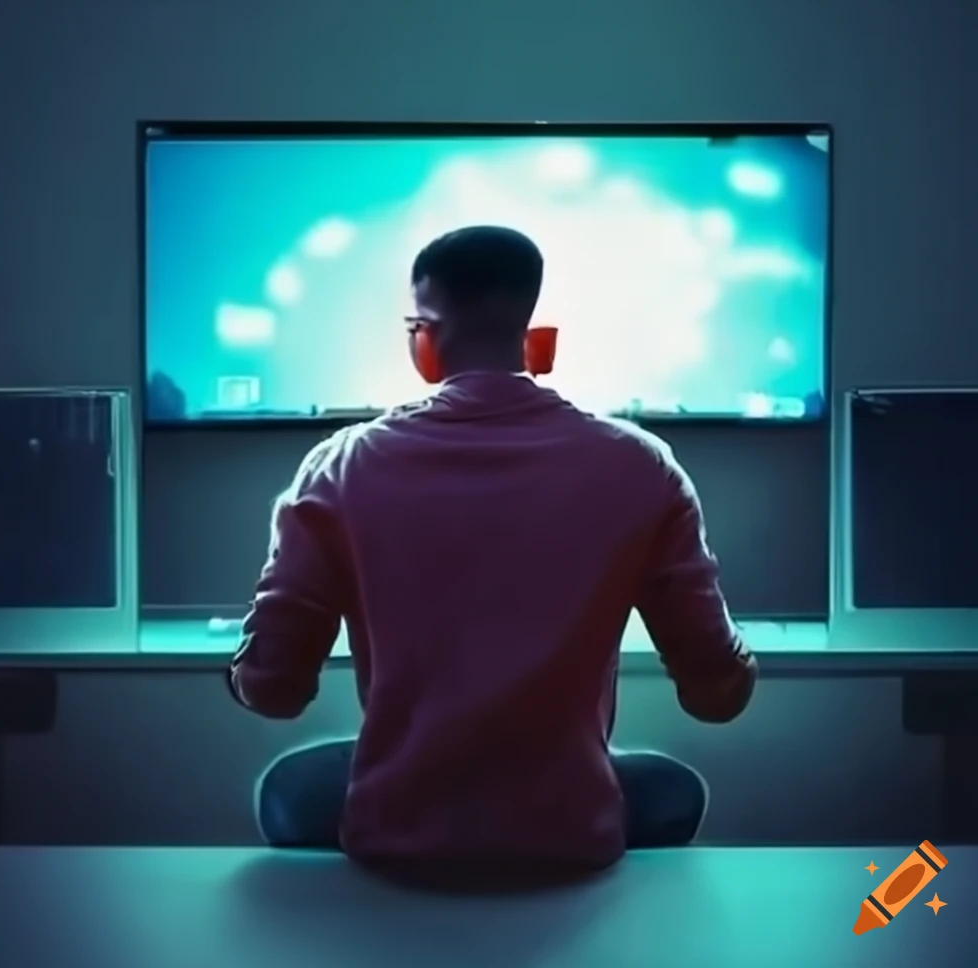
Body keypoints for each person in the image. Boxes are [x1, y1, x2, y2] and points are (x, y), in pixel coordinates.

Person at [228, 225, 757, 888]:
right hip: (571, 836)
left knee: (289, 786)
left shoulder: (340, 466)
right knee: (672, 788)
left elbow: (273, 690)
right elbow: (718, 695)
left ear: (424, 337)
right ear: (534, 337)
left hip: (397, 836)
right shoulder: (642, 467)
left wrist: (242, 667)